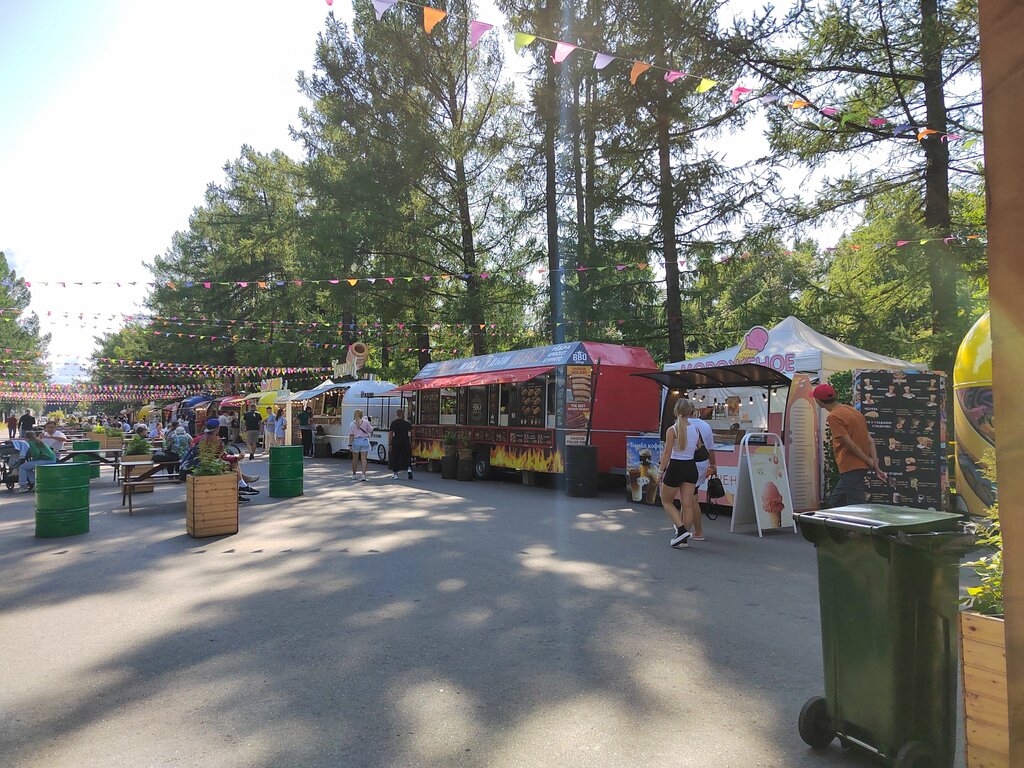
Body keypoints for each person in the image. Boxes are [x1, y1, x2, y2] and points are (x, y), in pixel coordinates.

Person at [657, 399, 717, 548]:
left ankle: (681, 529)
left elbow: (667, 453)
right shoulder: (696, 430)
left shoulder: (672, 430)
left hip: (676, 467)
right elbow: (701, 450)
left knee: (666, 500)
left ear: (677, 410)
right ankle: (683, 538)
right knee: (688, 504)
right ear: (690, 411)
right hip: (691, 468)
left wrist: (660, 470)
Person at [813, 384, 886, 507]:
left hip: (851, 466)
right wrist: (875, 465)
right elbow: (870, 441)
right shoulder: (853, 411)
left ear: (819, 401)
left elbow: (850, 445)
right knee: (835, 502)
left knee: (856, 507)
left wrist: (868, 460)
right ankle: (837, 526)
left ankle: (862, 526)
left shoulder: (834, 416)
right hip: (859, 467)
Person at [388, 408, 413, 480]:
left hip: (396, 441)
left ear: (397, 414)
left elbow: (391, 434)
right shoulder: (407, 423)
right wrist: (412, 441)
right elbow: (412, 432)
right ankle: (409, 469)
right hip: (405, 441)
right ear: (403, 414)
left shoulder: (394, 423)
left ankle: (395, 473)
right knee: (407, 456)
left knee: (396, 457)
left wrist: (390, 444)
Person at [349, 409, 372, 481]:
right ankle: (363, 475)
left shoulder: (352, 424)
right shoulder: (366, 422)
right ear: (362, 415)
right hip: (364, 441)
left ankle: (354, 474)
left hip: (356, 441)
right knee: (364, 459)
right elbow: (370, 430)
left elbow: (351, 435)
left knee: (355, 459)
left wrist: (350, 444)